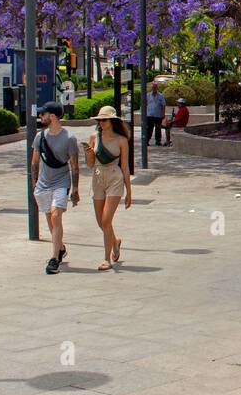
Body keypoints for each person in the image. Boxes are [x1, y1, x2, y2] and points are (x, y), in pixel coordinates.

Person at [31, 102, 80, 275]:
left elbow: (74, 166)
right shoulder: (40, 137)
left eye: (43, 114)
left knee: (55, 214)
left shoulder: (69, 138)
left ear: (52, 116)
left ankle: (54, 259)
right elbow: (34, 162)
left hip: (61, 182)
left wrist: (75, 189)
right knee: (51, 220)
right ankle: (60, 247)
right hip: (43, 184)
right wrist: (34, 184)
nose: (40, 117)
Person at [82, 105, 132, 271]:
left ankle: (106, 259)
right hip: (97, 177)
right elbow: (89, 164)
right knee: (100, 222)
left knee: (106, 220)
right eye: (99, 120)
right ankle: (115, 242)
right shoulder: (94, 137)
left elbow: (125, 167)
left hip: (114, 177)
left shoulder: (121, 140)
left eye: (104, 120)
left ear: (111, 121)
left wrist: (129, 192)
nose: (101, 123)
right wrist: (88, 153)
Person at [144, 82, 167, 150]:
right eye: (153, 87)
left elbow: (163, 105)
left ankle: (158, 141)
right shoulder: (148, 95)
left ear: (157, 88)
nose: (154, 89)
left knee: (158, 128)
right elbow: (144, 104)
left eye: (155, 87)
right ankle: (147, 140)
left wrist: (163, 114)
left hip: (158, 115)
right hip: (149, 115)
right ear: (151, 88)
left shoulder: (160, 95)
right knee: (149, 128)